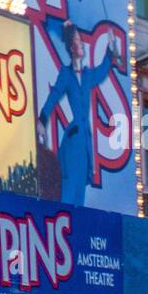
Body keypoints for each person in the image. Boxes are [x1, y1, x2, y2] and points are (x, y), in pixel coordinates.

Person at [37, 21, 121, 205]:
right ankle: (64, 220)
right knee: (69, 189)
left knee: (80, 190)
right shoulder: (66, 74)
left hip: (84, 140)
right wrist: (42, 120)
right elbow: (55, 95)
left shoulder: (88, 74)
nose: (81, 43)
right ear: (70, 47)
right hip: (74, 138)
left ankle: (77, 225)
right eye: (76, 40)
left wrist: (110, 49)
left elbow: (101, 71)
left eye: (79, 39)